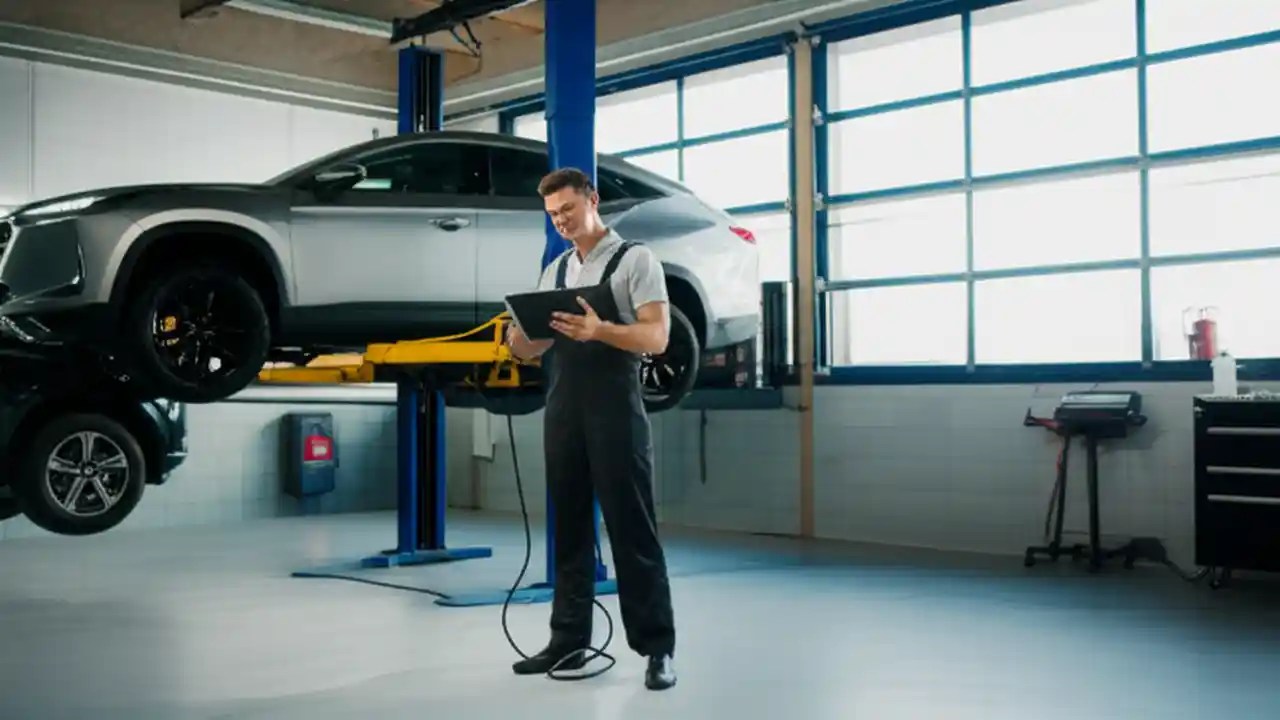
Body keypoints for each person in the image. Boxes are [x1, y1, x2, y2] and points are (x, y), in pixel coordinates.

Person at [505, 166, 678, 691]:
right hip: (563, 409)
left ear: (592, 200)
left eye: (568, 211)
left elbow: (658, 337)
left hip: (615, 409)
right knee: (570, 529)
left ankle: (657, 649)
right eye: (553, 215)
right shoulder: (554, 270)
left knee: (632, 529)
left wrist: (600, 329)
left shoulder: (636, 260)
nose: (561, 221)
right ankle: (569, 641)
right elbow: (525, 347)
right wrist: (522, 336)